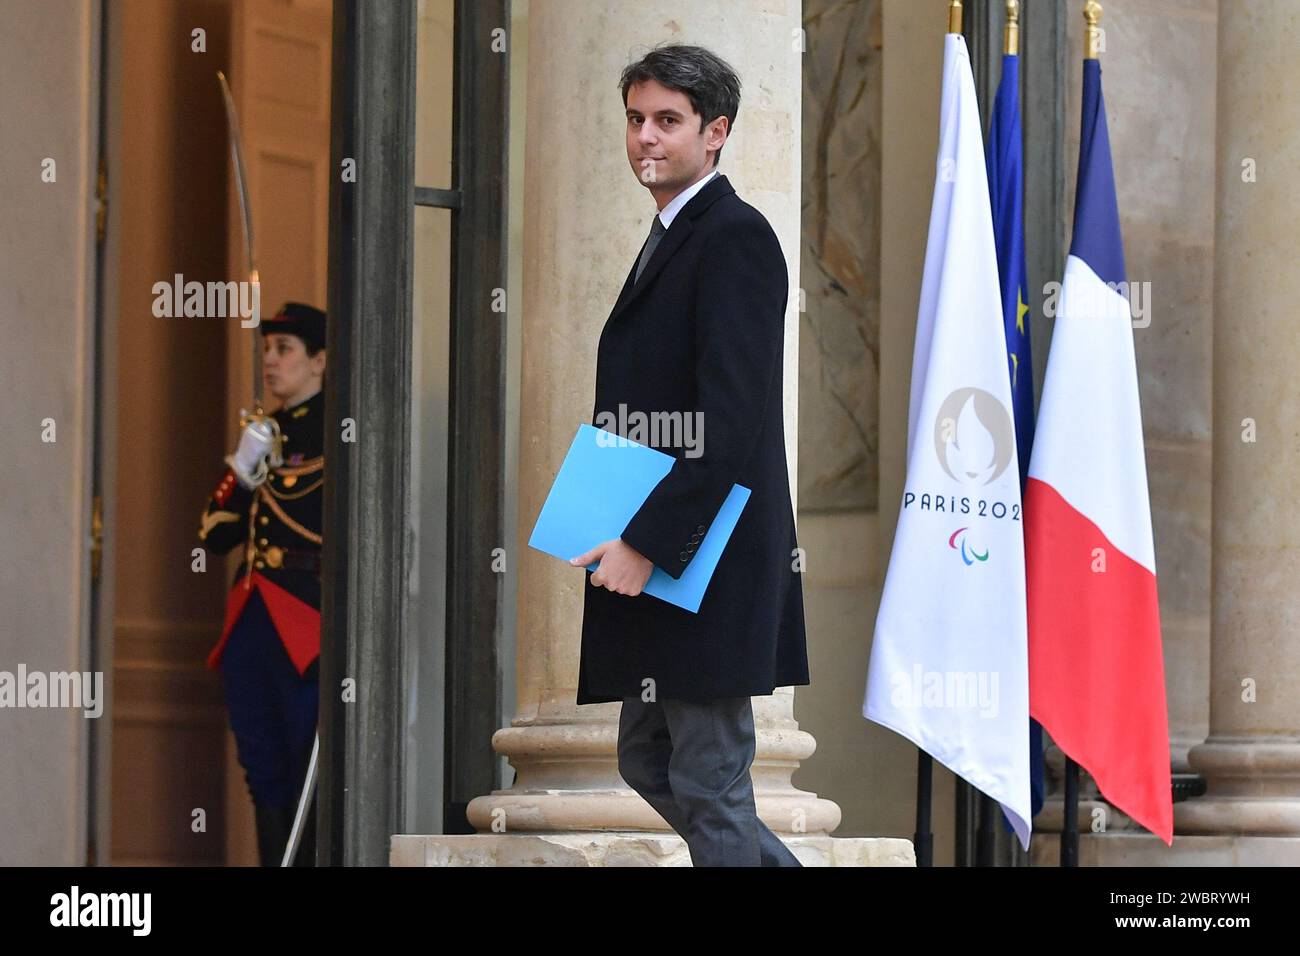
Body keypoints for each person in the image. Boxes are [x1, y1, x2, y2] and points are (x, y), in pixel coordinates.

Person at [569, 45, 809, 867]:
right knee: (646, 757)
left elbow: (730, 420)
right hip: (670, 552)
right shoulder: (670, 234)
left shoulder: (735, 236)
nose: (645, 138)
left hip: (707, 554)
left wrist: (646, 541)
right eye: (635, 119)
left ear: (717, 133)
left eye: (667, 121)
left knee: (708, 783)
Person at [198, 302, 326, 866]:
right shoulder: (264, 432)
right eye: (267, 350)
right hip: (252, 618)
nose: (271, 362)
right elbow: (214, 534)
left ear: (319, 360)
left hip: (306, 619)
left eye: (285, 350)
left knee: (306, 762)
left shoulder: (335, 429)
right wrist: (244, 469)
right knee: (261, 763)